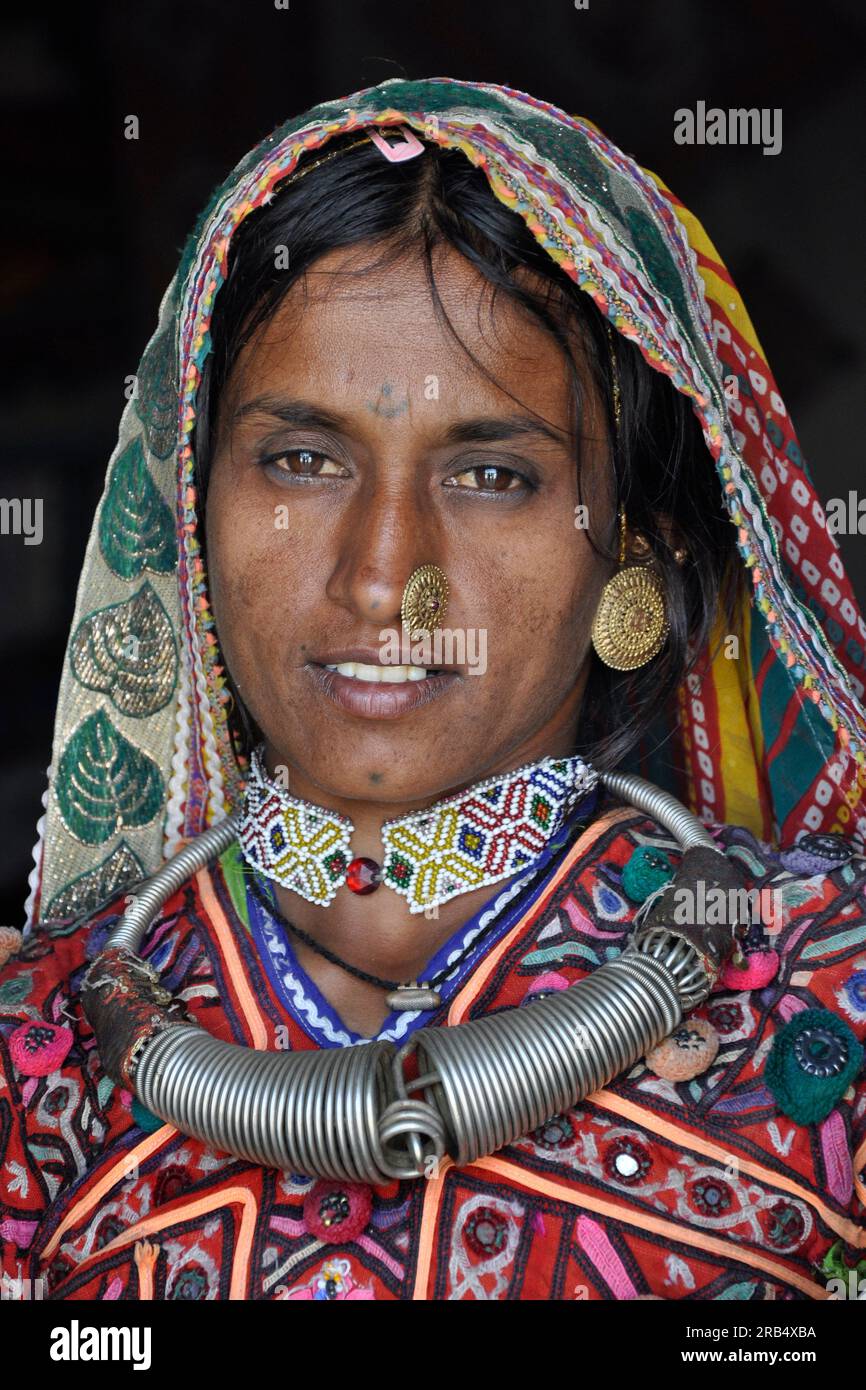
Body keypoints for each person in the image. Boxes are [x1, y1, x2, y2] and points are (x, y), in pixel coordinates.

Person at [2, 76, 865, 1302]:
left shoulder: (824, 987)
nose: (378, 578)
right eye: (300, 460)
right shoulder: (38, 1062)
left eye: (491, 475)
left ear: (637, 544)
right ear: (191, 521)